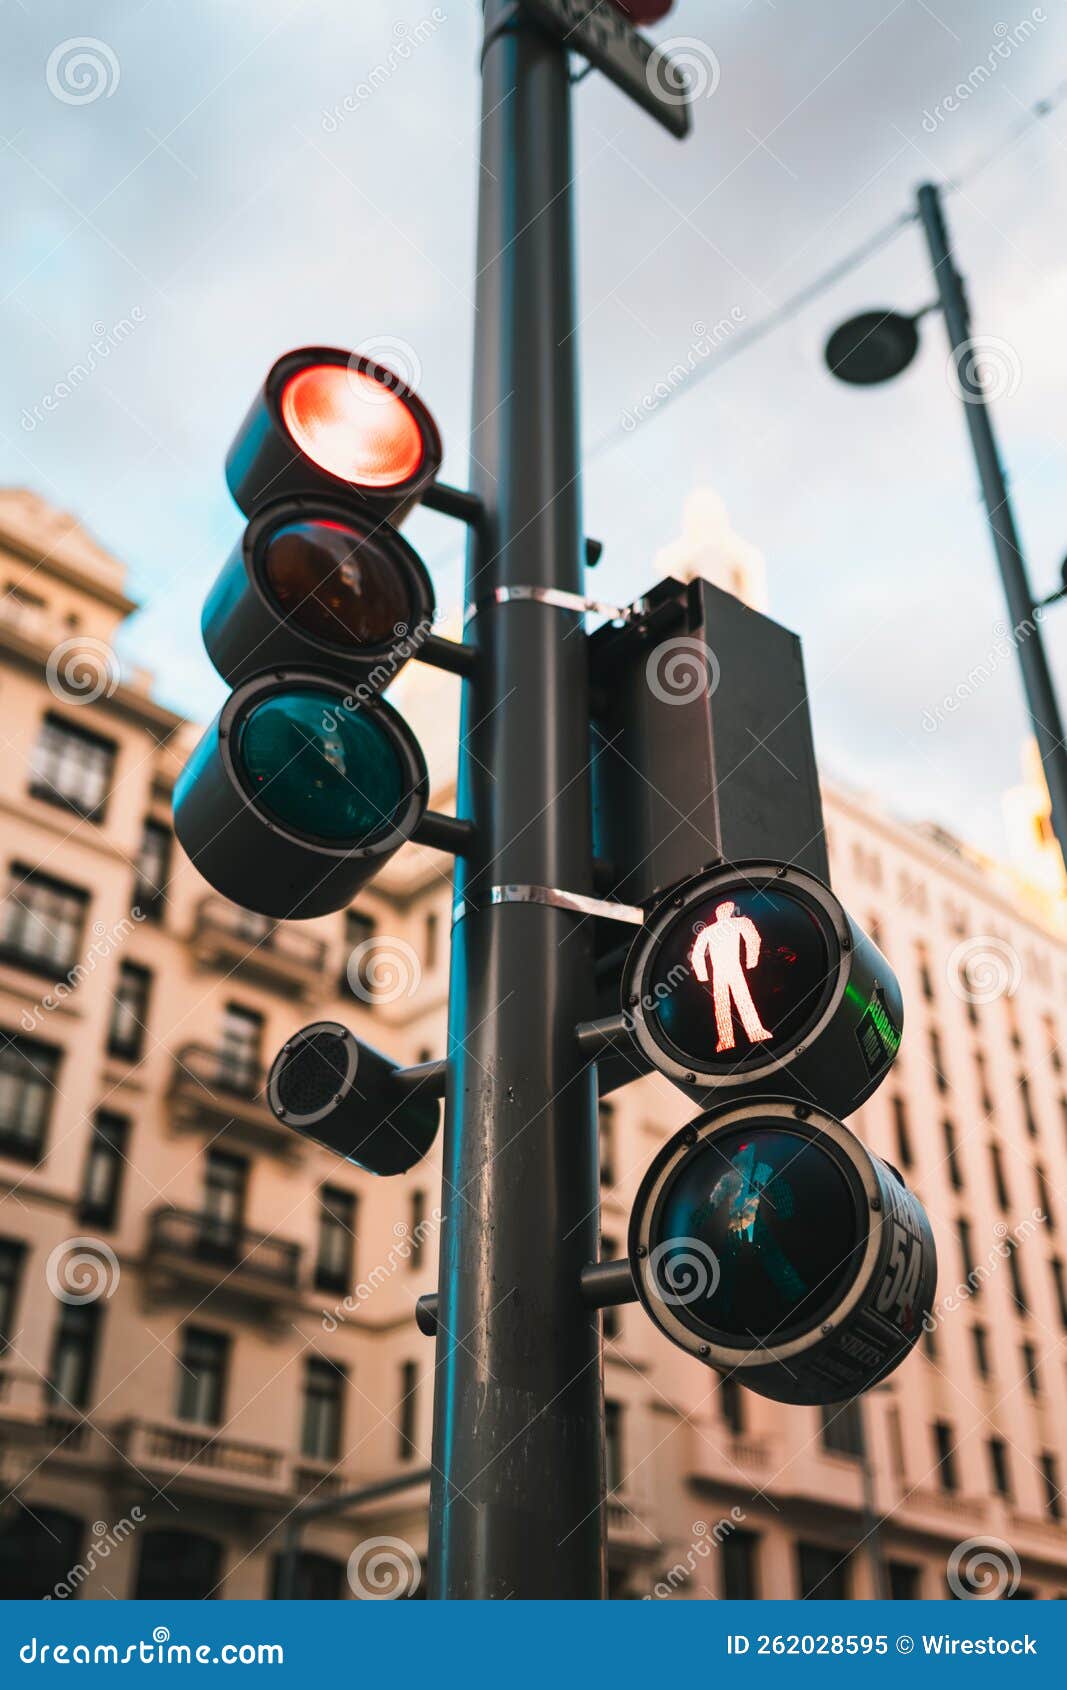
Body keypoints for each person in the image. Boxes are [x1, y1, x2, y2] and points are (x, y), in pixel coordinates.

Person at [691, 900, 772, 1054]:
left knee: (740, 1001)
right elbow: (697, 954)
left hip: (730, 967)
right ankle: (727, 1040)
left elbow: (753, 938)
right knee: (726, 1003)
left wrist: (751, 961)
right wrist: (702, 975)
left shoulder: (736, 923)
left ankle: (752, 1033)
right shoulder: (712, 930)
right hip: (722, 970)